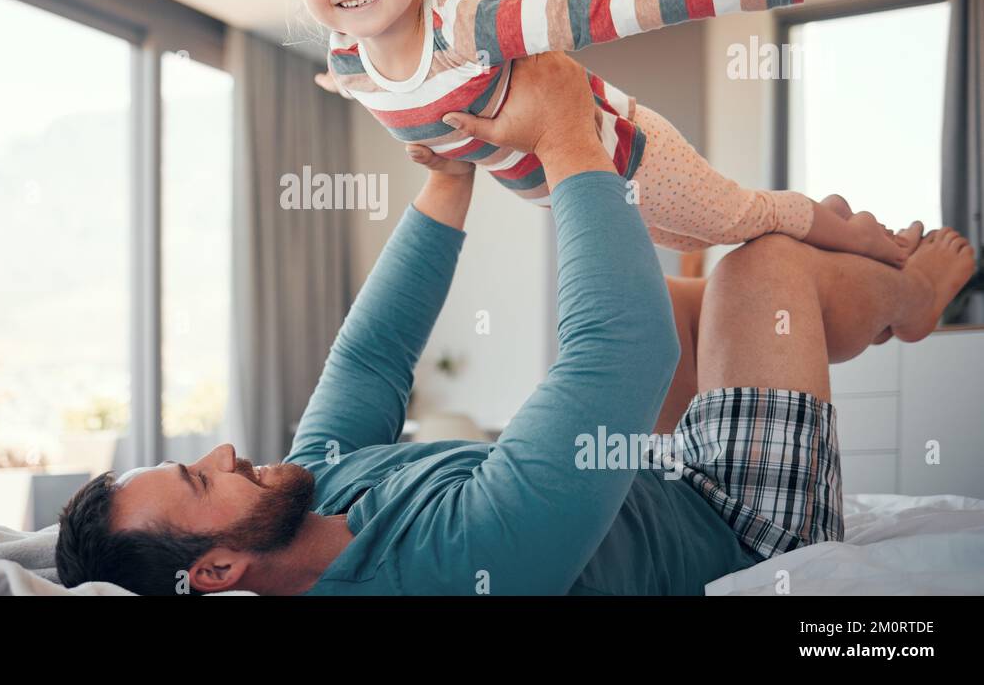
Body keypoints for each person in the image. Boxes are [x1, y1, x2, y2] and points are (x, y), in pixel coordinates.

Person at [55, 53, 975, 595]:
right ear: (214, 573)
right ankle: (911, 303)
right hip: (742, 522)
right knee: (758, 268)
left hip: (649, 478)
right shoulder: (449, 570)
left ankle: (805, 288)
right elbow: (622, 354)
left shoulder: (310, 486)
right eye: (199, 480)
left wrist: (447, 176)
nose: (222, 452)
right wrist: (569, 132)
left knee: (677, 293)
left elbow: (371, 357)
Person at [268, 0, 931, 266]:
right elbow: (359, 85)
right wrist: (429, 142)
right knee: (701, 240)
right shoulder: (347, 62)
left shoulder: (470, 28)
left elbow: (627, 6)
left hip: (632, 158)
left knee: (743, 221)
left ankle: (865, 238)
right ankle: (835, 215)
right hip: (572, 195)